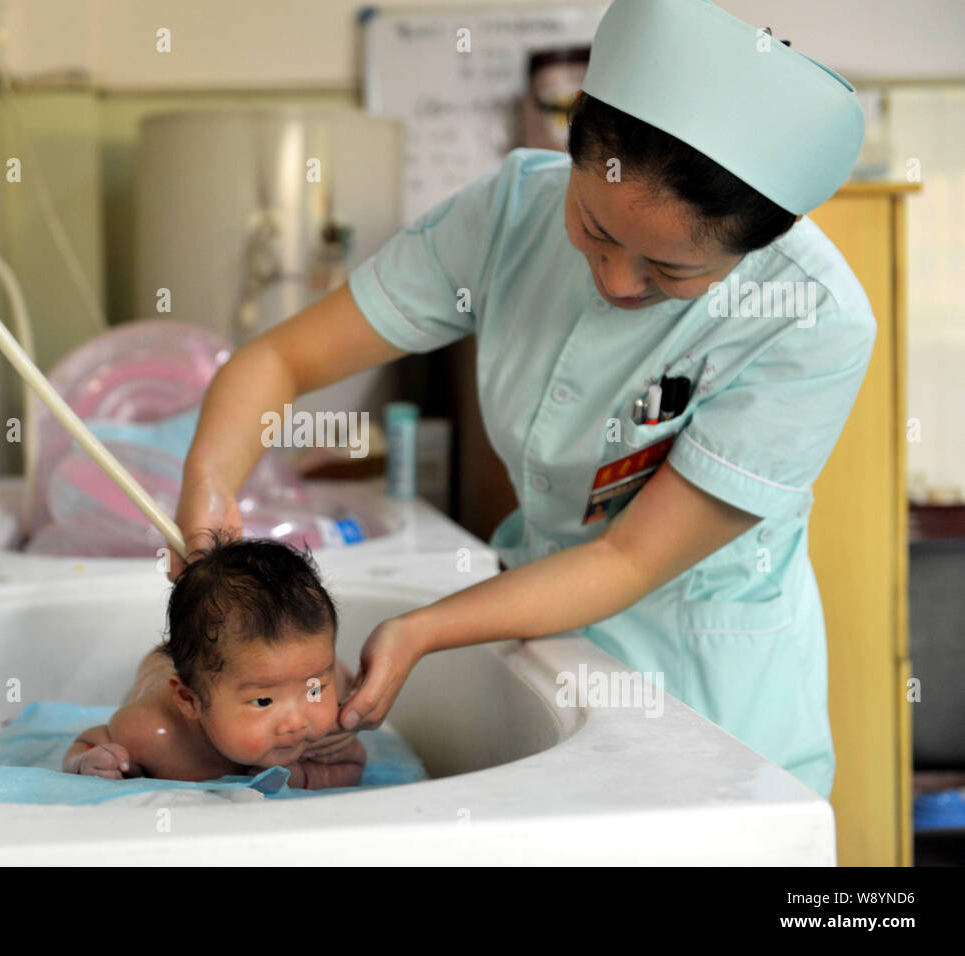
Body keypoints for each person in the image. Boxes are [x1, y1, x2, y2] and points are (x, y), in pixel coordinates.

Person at [170, 0, 873, 798]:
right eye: (594, 229)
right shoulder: (509, 214)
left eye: (669, 274)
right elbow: (281, 359)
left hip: (714, 700)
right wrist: (211, 480)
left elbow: (626, 557)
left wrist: (422, 629)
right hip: (544, 653)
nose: (615, 282)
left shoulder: (810, 318)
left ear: (754, 249)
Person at [66, 535, 366, 789]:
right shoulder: (152, 735)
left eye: (314, 690)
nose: (296, 722)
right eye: (263, 701)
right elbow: (86, 744)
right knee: (195, 660)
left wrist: (304, 776)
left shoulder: (319, 726)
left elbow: (353, 762)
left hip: (243, 664)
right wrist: (89, 761)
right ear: (188, 699)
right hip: (161, 666)